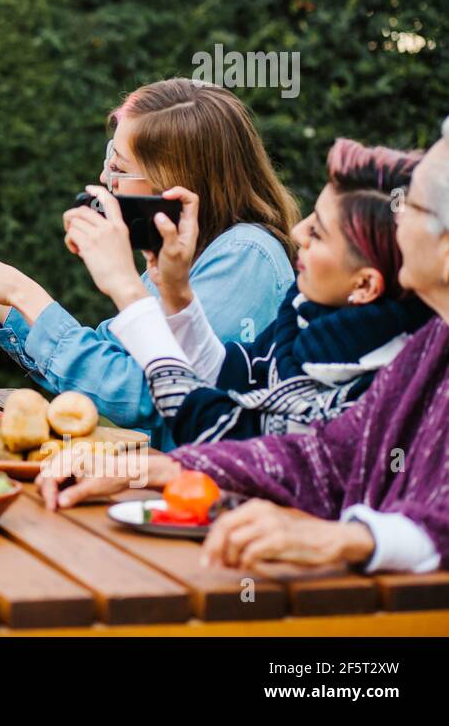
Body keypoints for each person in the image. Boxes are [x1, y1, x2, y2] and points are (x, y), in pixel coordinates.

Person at [36, 115, 449, 575]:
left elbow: (236, 426)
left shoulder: (395, 354)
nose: (297, 233)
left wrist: (351, 538)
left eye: (412, 208)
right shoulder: (423, 342)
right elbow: (328, 456)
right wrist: (171, 467)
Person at [0, 79, 297, 446]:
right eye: (109, 157)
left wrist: (23, 292)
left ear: (173, 183)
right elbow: (97, 364)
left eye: (118, 167)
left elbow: (141, 394)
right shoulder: (179, 256)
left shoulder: (245, 257)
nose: (104, 178)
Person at [64, 138, 431, 444]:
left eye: (318, 232)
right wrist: (175, 290)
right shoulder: (306, 320)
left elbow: (224, 430)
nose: (298, 233)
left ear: (365, 285)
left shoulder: (379, 389)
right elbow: (229, 375)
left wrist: (127, 289)